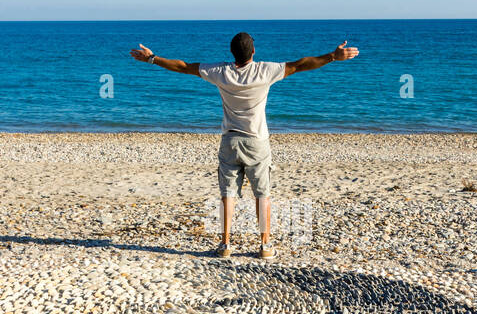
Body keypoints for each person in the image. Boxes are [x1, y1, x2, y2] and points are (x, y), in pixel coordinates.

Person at [130, 32, 359, 258]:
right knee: (262, 194)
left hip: (229, 140)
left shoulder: (220, 72)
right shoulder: (265, 71)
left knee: (227, 194)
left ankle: (225, 244)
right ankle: (265, 245)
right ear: (253, 52)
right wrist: (332, 56)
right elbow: (300, 65)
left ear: (232, 52)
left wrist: (152, 58)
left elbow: (183, 66)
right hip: (256, 141)